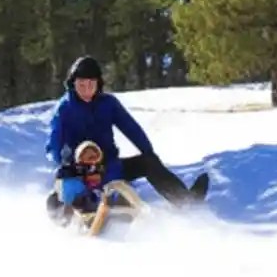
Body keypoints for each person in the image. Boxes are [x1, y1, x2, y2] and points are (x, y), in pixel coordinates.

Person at [45, 55, 209, 222]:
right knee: (61, 194)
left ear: (98, 84)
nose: (87, 90)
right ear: (73, 84)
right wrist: (62, 164)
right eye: (82, 85)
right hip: (79, 169)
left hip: (108, 164)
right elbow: (54, 141)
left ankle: (184, 200)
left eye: (91, 85)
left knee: (148, 163)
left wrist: (149, 154)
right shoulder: (65, 108)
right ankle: (72, 219)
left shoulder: (108, 103)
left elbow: (131, 128)